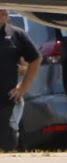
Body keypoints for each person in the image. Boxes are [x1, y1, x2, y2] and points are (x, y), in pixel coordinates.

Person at [0, 8, 41, 151]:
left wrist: (23, 87)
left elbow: (35, 59)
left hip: (7, 99)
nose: (4, 12)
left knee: (7, 140)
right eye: (0, 10)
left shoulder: (16, 34)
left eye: (5, 10)